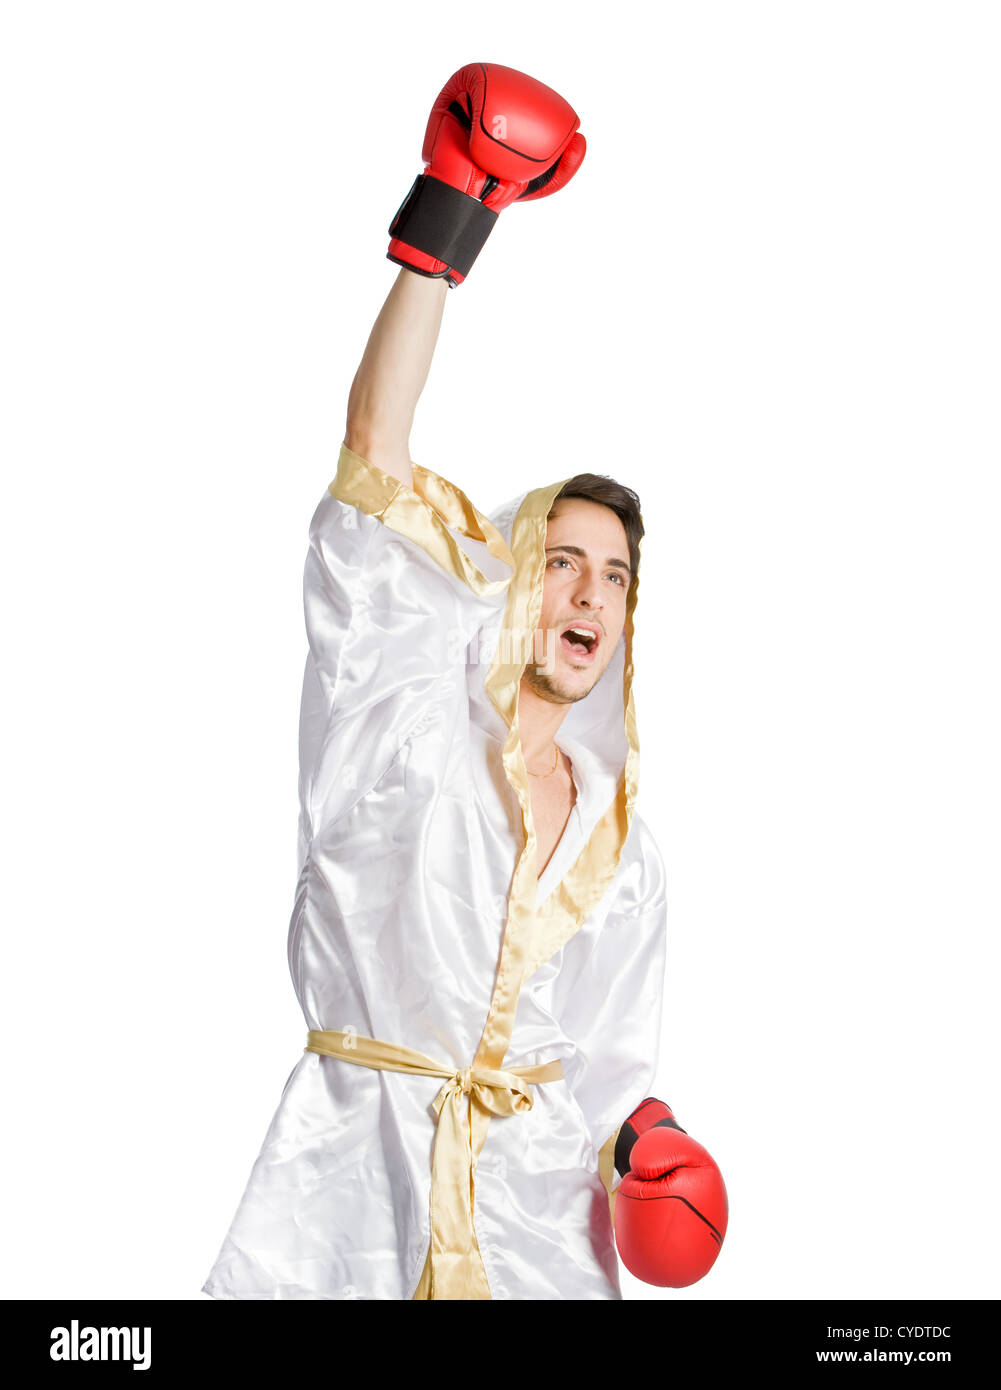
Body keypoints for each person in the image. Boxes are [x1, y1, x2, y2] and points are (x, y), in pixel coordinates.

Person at [203, 62, 726, 1302]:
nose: (590, 592)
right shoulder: (399, 717)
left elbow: (605, 1058)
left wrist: (641, 1149)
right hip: (352, 1193)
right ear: (509, 584)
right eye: (561, 561)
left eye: (614, 576)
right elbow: (375, 457)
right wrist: (452, 211)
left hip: (537, 1222)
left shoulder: (621, 840)